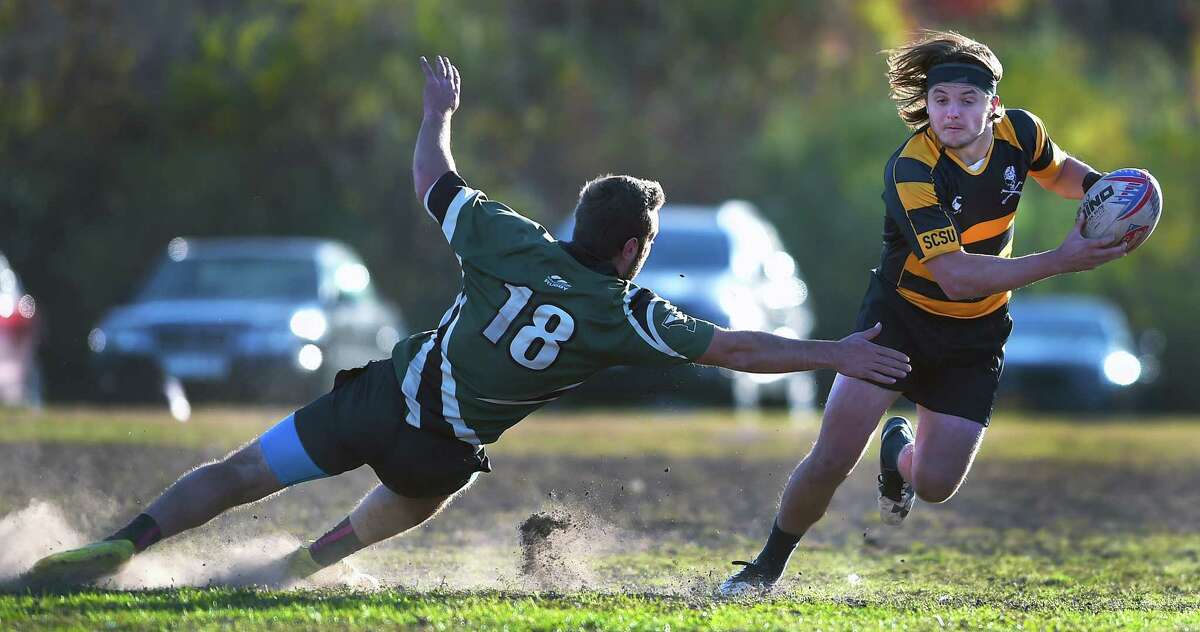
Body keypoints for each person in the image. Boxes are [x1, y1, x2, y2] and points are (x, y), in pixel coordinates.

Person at [28, 55, 911, 588]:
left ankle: (121, 544)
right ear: (633, 248)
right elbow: (736, 347)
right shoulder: (625, 311)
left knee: (239, 474)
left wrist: (437, 115)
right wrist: (833, 352)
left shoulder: (509, 239)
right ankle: (298, 567)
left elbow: (432, 178)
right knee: (415, 497)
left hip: (377, 403)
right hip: (440, 453)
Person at [719, 30, 1130, 597]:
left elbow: (1058, 172)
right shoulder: (912, 168)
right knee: (833, 458)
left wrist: (1109, 193)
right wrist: (1062, 259)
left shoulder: (1022, 133)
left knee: (936, 484)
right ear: (929, 105)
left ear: (993, 106)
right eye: (941, 100)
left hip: (977, 335)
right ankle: (765, 567)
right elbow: (955, 277)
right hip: (898, 322)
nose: (951, 112)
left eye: (966, 100)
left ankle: (898, 453)